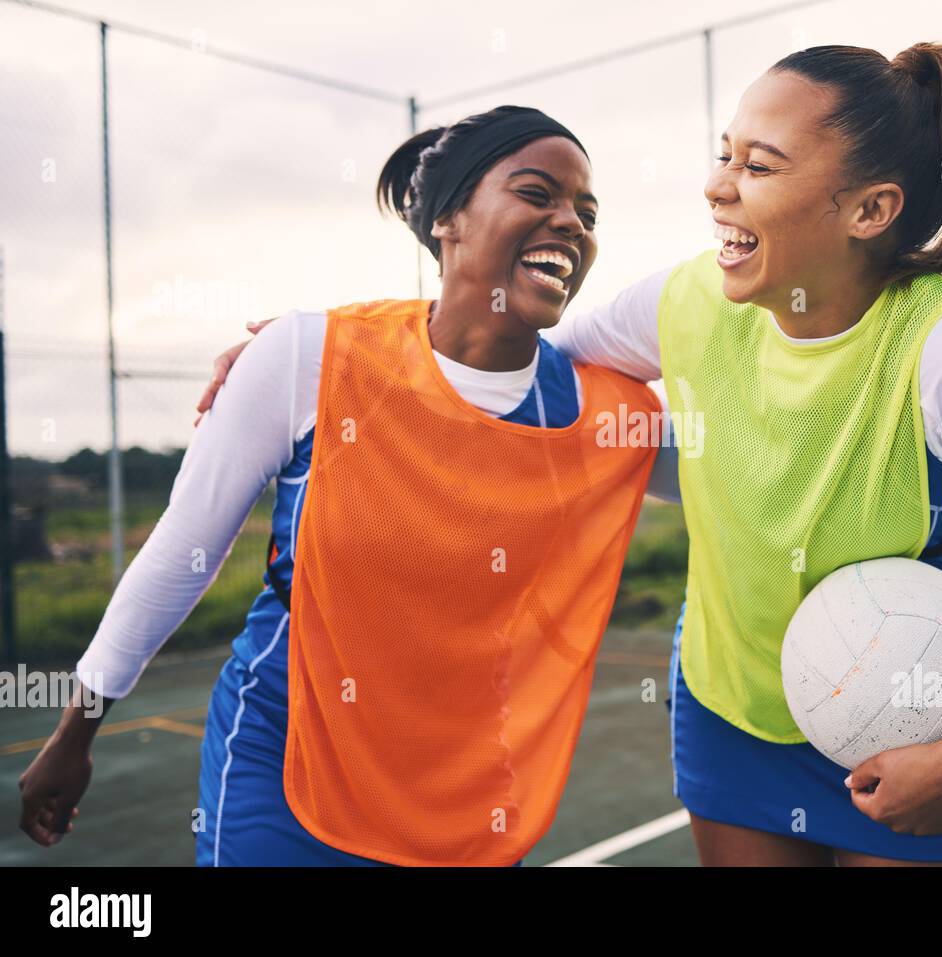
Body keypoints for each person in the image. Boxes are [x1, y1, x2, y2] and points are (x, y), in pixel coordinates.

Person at [200, 42, 942, 869]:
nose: (719, 187)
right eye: (725, 154)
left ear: (871, 209)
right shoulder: (686, 301)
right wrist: (325, 351)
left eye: (759, 166)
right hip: (729, 707)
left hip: (912, 712)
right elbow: (509, 364)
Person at [18, 105, 680, 866]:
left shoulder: (601, 414)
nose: (570, 222)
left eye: (587, 212)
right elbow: (181, 548)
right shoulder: (308, 356)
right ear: (450, 219)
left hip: (465, 789)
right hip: (286, 758)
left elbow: (726, 401)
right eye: (538, 194)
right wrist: (77, 728)